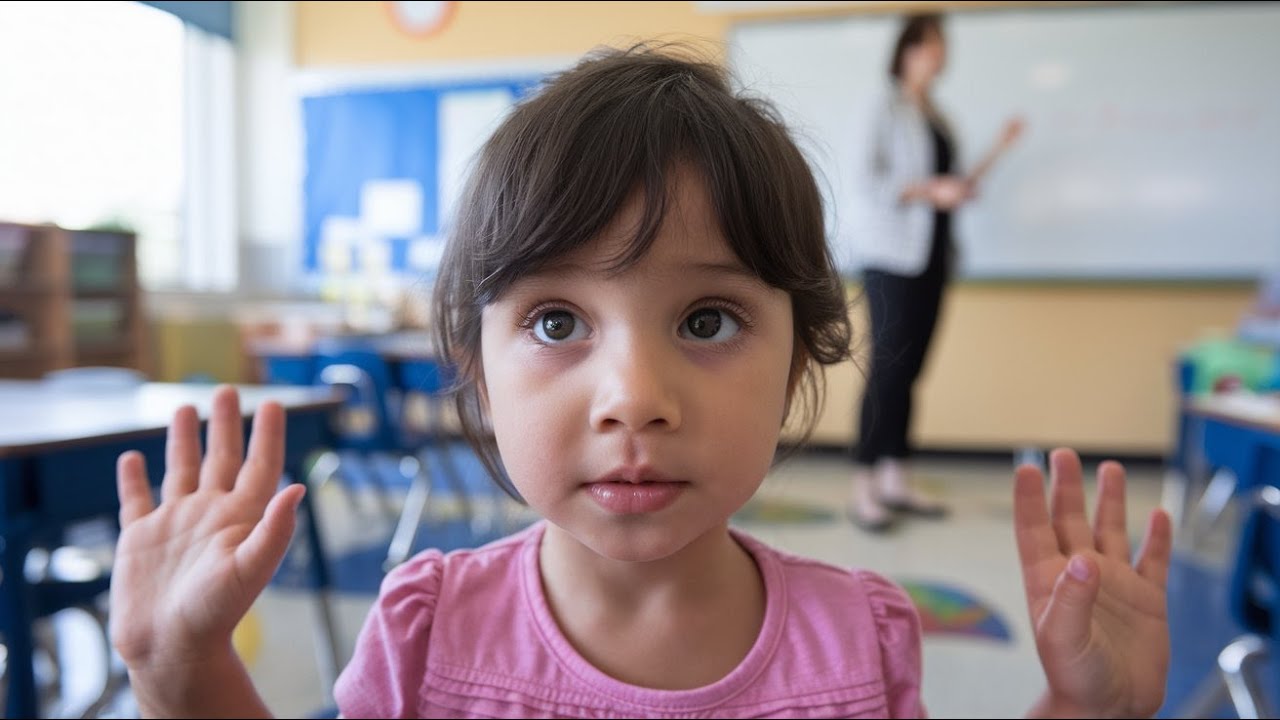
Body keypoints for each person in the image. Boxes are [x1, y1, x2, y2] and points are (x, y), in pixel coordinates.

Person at [110, 45, 1171, 718]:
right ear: (476, 373)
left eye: (706, 320)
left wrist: (1087, 710)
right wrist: (176, 668)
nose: (633, 397)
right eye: (556, 320)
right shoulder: (426, 632)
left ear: (799, 356)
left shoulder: (861, 638)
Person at [848, 13, 1026, 532]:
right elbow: (865, 180)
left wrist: (968, 177)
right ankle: (864, 487)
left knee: (913, 370)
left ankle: (895, 478)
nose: (942, 54)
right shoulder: (881, 103)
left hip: (935, 256)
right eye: (934, 44)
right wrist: (929, 190)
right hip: (891, 255)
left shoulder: (938, 114)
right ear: (909, 49)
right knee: (887, 367)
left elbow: (950, 184)